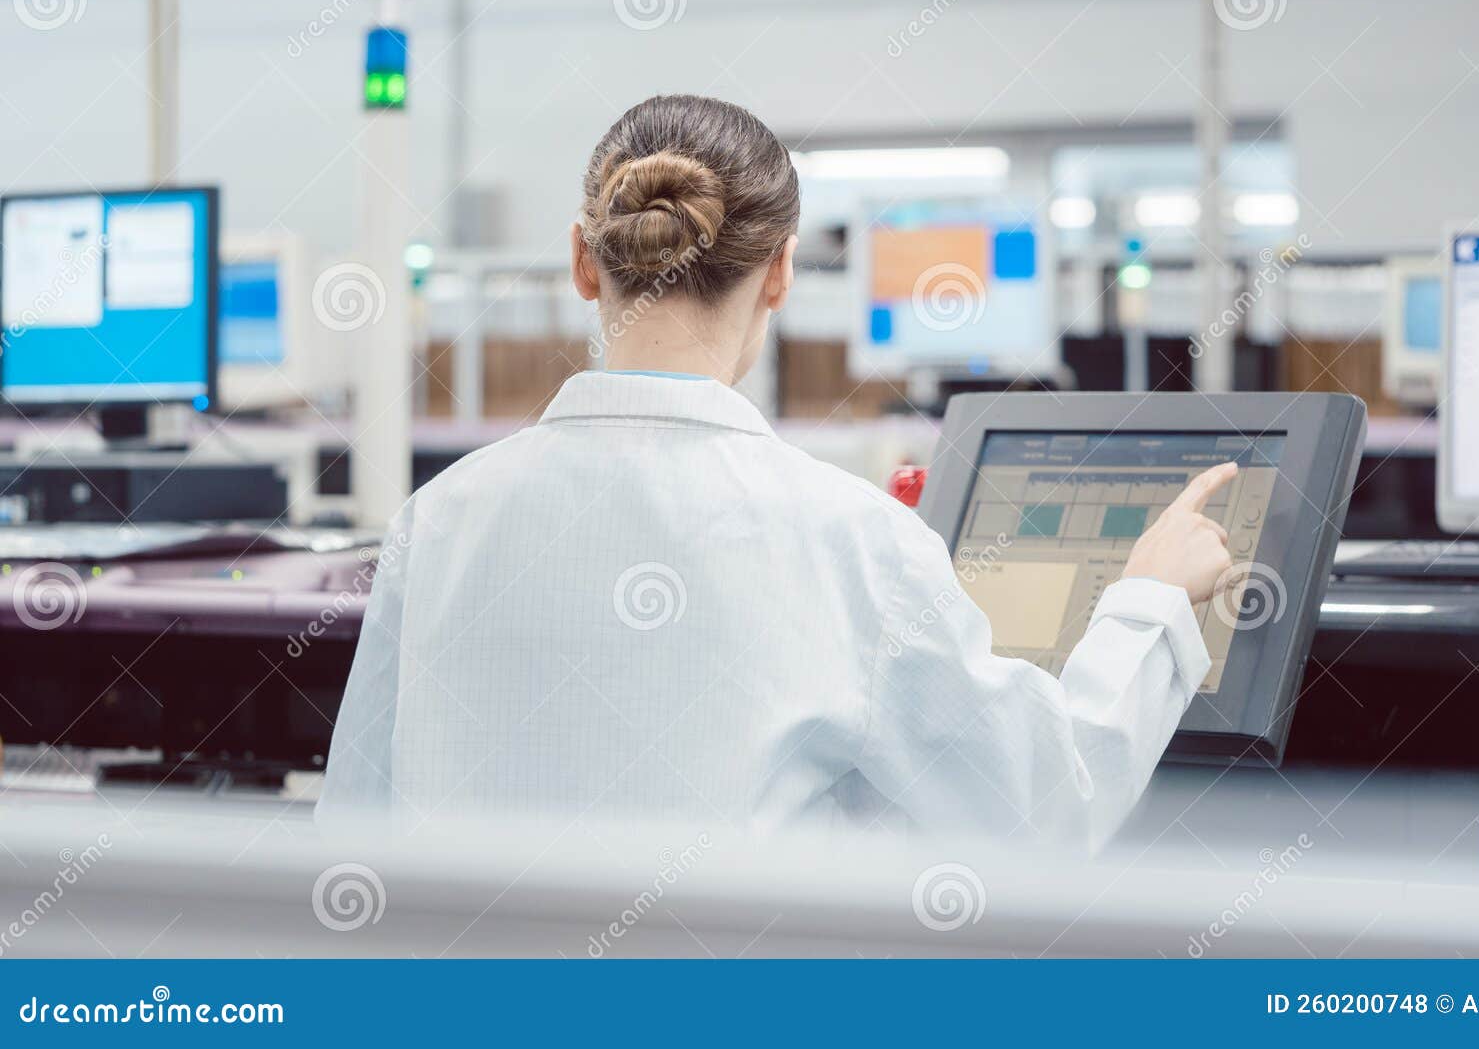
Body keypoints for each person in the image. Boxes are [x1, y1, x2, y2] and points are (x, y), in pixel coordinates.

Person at [319, 94, 1235, 848]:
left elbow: (352, 835)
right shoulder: (852, 538)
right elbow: (1048, 812)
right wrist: (1147, 603)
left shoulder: (436, 519)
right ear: (782, 273)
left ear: (582, 263)